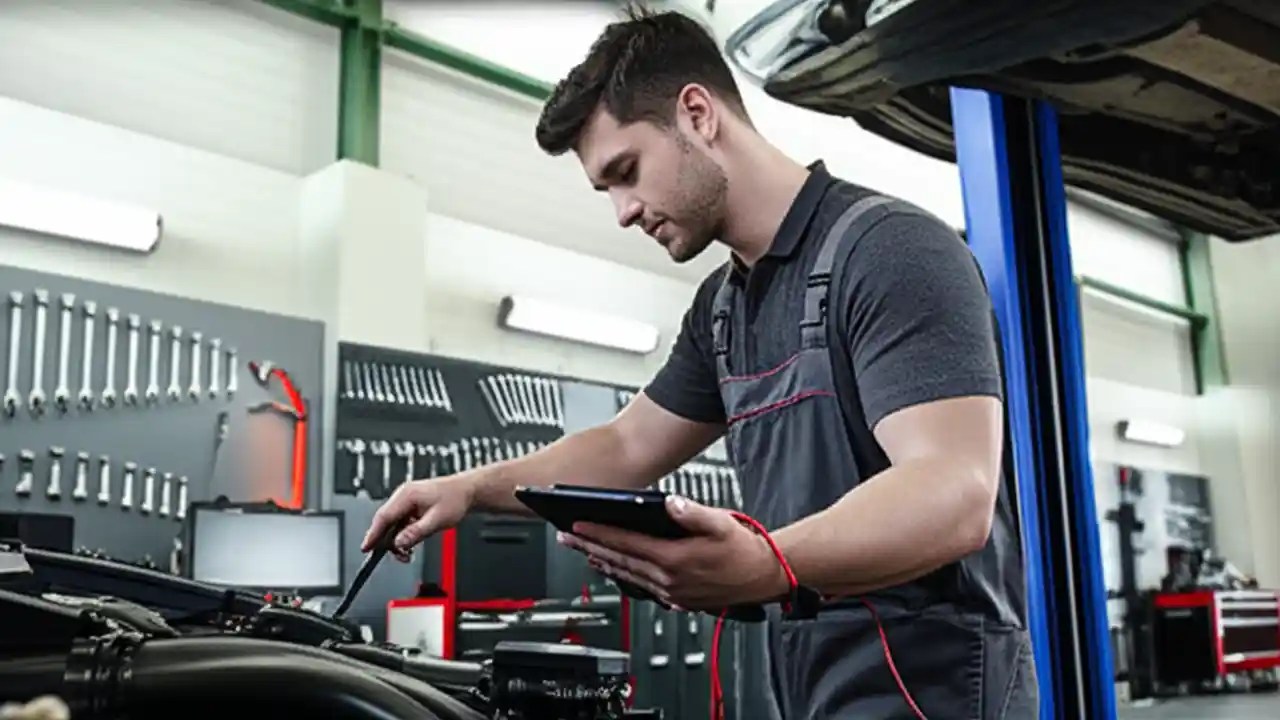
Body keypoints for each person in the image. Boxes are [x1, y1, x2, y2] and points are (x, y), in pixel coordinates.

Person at [363, 7, 1038, 718]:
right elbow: (625, 446)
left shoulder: (893, 253)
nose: (624, 212)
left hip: (942, 688)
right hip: (812, 677)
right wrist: (467, 489)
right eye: (607, 191)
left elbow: (953, 492)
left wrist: (766, 563)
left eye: (627, 173)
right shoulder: (723, 306)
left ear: (697, 114)